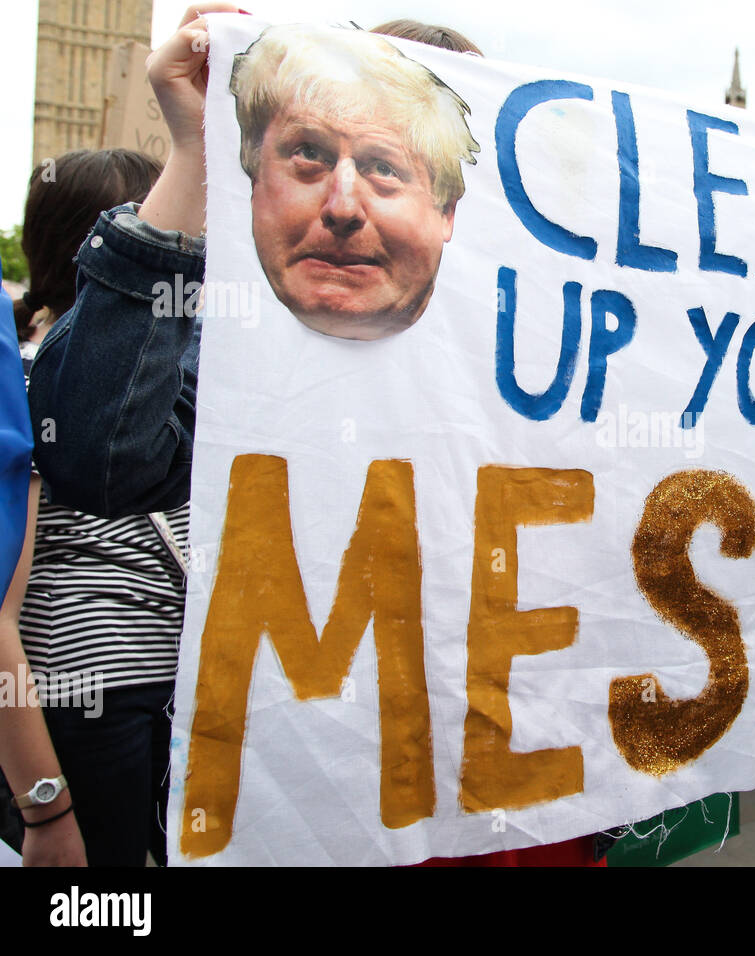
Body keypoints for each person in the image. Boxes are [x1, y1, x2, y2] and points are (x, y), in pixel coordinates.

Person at [27, 3, 605, 868]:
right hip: (320, 814)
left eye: (392, 164)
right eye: (320, 150)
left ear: (456, 200)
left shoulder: (565, 357)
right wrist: (191, 155)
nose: (347, 205)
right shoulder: (247, 340)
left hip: (513, 809)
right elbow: (97, 460)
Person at [0, 149, 179, 867]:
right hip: (88, 702)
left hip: (154, 695)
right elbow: (3, 610)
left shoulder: (161, 369)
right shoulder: (40, 377)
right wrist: (47, 804)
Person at [231, 22, 480, 341]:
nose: (342, 207)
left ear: (447, 210)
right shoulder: (198, 356)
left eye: (384, 168)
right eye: (309, 152)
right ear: (253, 174)